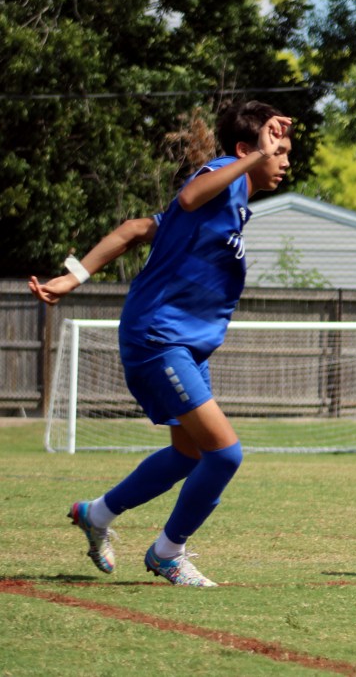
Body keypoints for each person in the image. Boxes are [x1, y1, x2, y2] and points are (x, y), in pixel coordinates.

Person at [28, 100, 293, 587]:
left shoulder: (231, 202)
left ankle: (97, 513)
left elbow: (136, 229)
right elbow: (192, 196)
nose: (284, 159)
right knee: (225, 454)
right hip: (160, 336)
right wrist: (256, 156)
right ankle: (168, 552)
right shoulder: (222, 177)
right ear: (245, 149)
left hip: (186, 344)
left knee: (188, 455)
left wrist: (74, 276)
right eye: (278, 150)